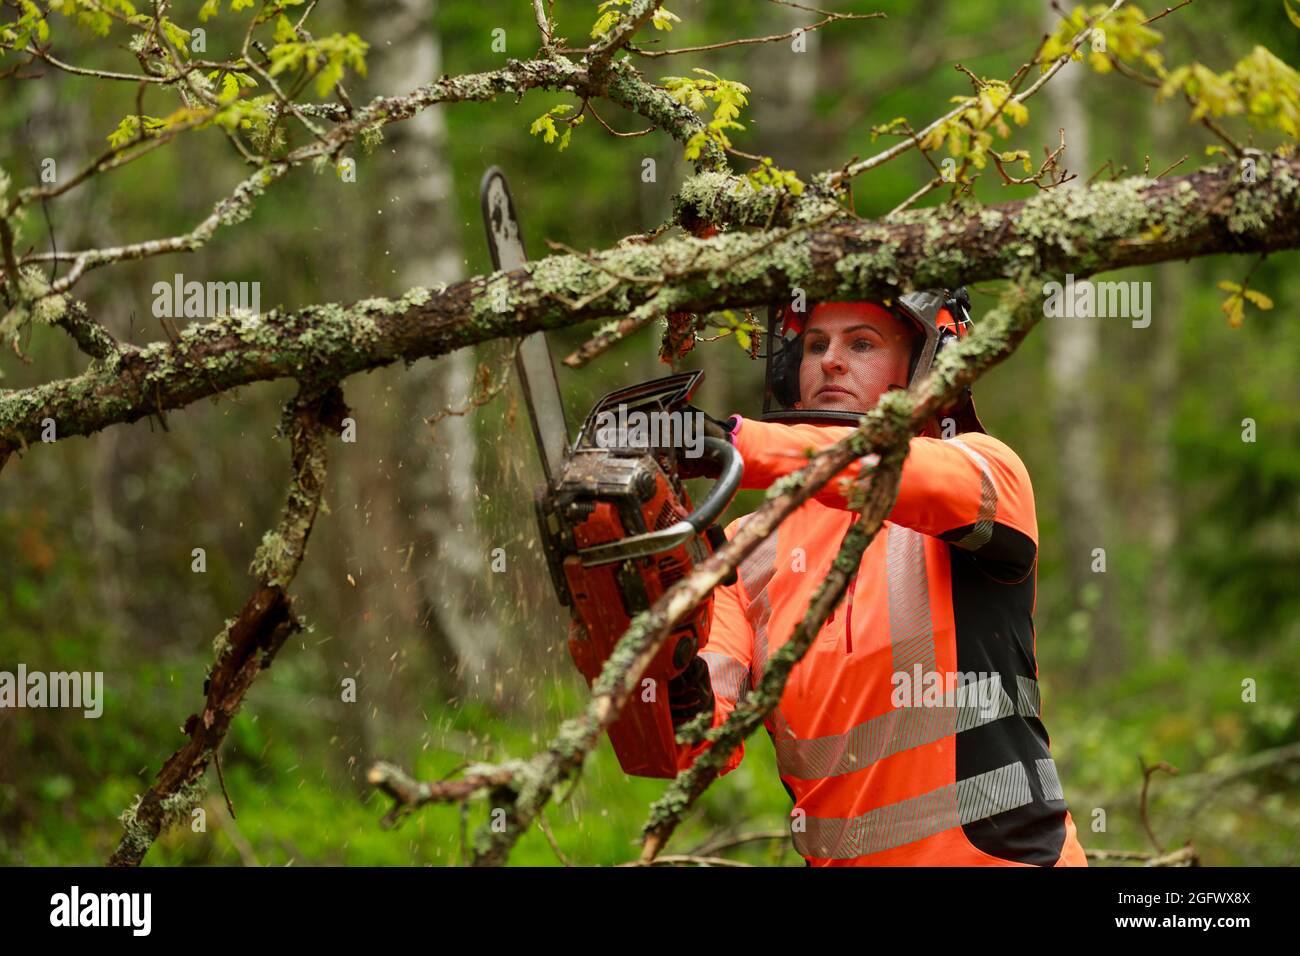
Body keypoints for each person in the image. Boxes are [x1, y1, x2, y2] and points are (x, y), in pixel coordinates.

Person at [672, 291, 1088, 867]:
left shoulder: (982, 472)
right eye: (815, 345)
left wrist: (731, 442)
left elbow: (891, 472)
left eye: (861, 344)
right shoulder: (747, 548)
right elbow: (696, 735)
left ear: (926, 367)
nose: (829, 362)